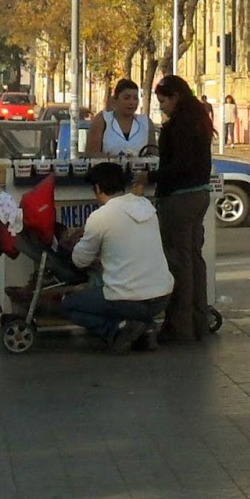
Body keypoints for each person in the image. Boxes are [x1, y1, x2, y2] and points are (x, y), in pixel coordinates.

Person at [59, 162, 175, 353]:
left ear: (98, 188)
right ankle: (145, 327)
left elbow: (79, 261)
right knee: (124, 296)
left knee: (69, 305)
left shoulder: (101, 217)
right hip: (162, 295)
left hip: (128, 299)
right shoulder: (146, 206)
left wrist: (79, 241)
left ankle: (116, 330)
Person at [151, 75, 214, 344]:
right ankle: (199, 321)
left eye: (163, 101)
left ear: (175, 96)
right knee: (194, 258)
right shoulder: (200, 120)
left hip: (178, 198)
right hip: (199, 195)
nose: (162, 107)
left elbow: (178, 166)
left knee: (178, 262)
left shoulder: (177, 127)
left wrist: (151, 177)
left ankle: (179, 326)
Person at [86, 78, 155, 156]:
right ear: (115, 99)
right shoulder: (103, 120)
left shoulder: (145, 122)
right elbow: (91, 154)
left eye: (135, 98)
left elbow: (153, 154)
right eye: (126, 98)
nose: (132, 102)